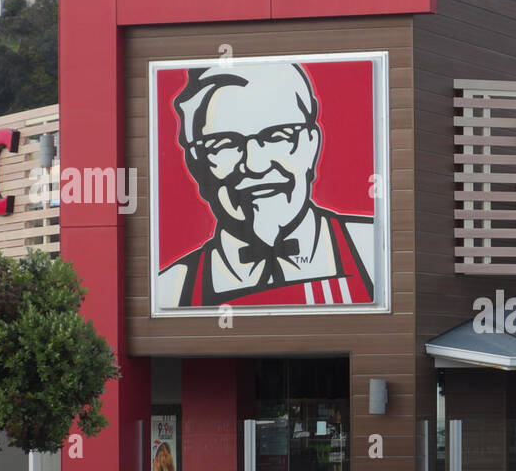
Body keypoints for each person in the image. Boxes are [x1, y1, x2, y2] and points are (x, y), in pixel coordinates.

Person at [157, 60, 375, 308]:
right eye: (225, 144)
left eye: (278, 136)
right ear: (196, 163)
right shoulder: (172, 290)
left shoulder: (373, 252)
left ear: (312, 144)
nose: (255, 165)